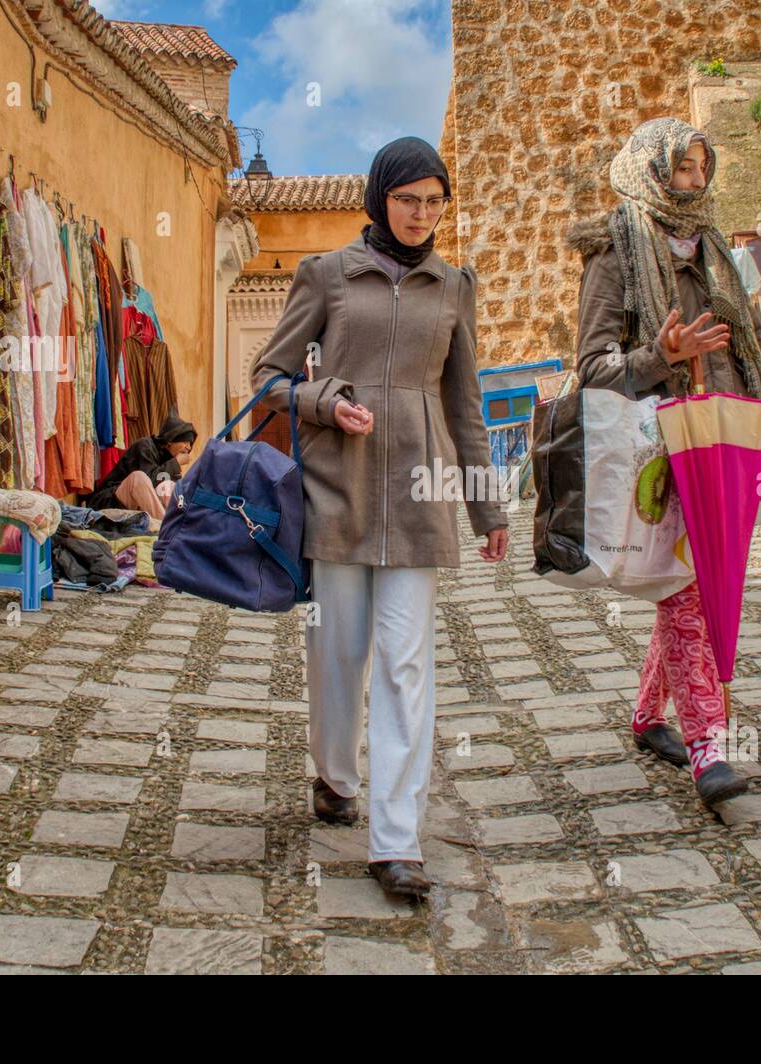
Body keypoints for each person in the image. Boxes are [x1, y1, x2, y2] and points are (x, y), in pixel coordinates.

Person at [251, 136, 508, 898]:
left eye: (434, 202)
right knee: (339, 654)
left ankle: (397, 841)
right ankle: (334, 776)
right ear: (380, 199)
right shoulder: (326, 275)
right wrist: (324, 399)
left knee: (404, 663)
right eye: (408, 201)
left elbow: (465, 405)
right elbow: (267, 377)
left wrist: (486, 504)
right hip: (340, 489)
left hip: (422, 497)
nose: (422, 215)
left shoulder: (455, 286)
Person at [570, 117, 761, 807]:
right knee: (690, 593)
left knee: (695, 583)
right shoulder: (615, 251)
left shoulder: (717, 252)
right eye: (682, 169)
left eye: (701, 168)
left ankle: (647, 717)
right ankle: (708, 746)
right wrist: (661, 356)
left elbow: (751, 343)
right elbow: (592, 367)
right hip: (659, 452)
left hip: (726, 439)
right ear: (651, 171)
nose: (694, 182)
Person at [82, 413, 195, 521]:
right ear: (171, 440)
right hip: (109, 501)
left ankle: (183, 527)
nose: (189, 448)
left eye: (190, 444)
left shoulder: (168, 460)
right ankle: (166, 529)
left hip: (135, 508)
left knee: (170, 485)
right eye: (186, 442)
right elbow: (149, 481)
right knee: (139, 477)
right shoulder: (145, 446)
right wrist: (175, 463)